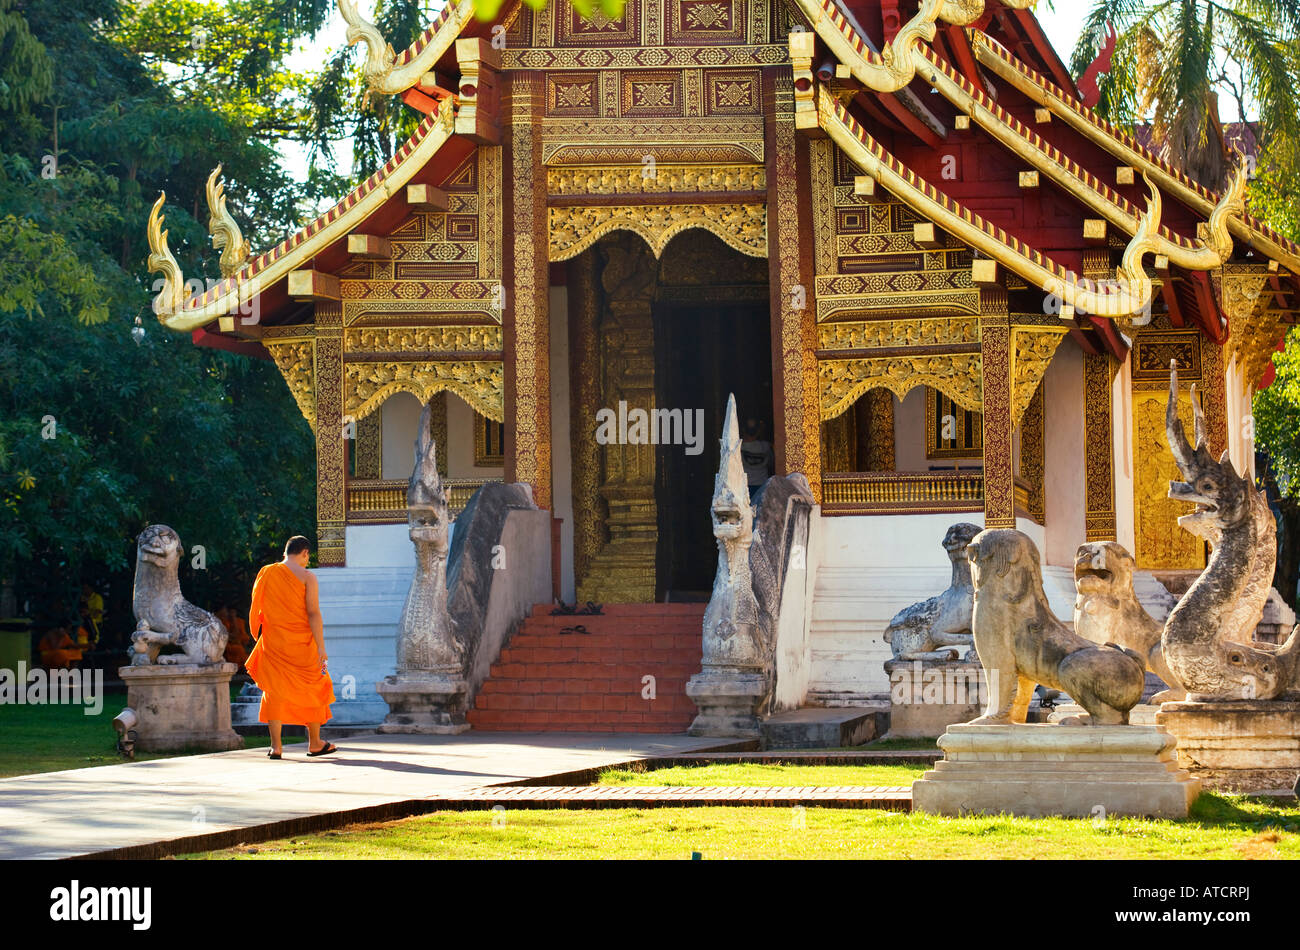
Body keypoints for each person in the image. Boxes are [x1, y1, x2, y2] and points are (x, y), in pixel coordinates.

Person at [245, 537, 337, 758]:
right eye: (308, 557)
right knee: (315, 686)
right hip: (303, 645)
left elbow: (256, 606)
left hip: (274, 643)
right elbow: (313, 612)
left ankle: (276, 747)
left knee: (273, 691)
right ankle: (314, 742)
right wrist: (321, 647)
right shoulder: (307, 577)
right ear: (305, 553)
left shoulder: (267, 572)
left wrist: (257, 632)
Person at [740, 418, 775, 496]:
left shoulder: (738, 447)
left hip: (744, 485)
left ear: (743, 430)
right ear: (758, 430)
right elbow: (771, 464)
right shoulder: (766, 447)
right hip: (762, 485)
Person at [218, 605, 252, 669]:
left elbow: (242, 637)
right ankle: (241, 667)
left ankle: (242, 667)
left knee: (239, 649)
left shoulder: (239, 621)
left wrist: (234, 620)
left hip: (235, 643)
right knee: (237, 649)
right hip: (224, 645)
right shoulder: (221, 622)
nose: (227, 614)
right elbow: (229, 636)